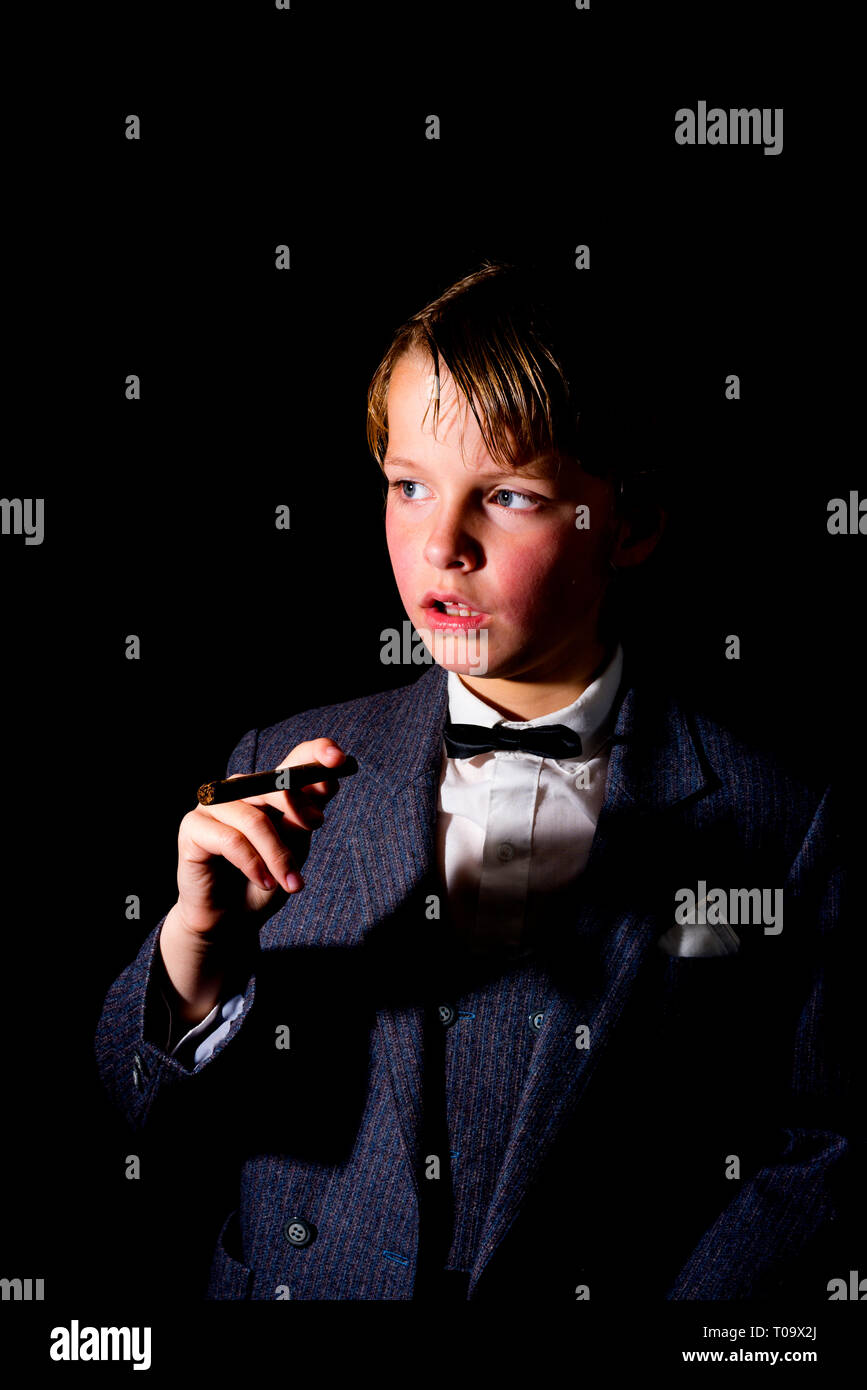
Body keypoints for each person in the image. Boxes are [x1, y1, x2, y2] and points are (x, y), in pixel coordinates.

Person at [95, 261, 855, 1301]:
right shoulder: (284, 754)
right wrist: (196, 955)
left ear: (628, 525)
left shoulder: (783, 819)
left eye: (507, 496)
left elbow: (821, 1151)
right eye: (410, 485)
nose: (441, 544)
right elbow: (137, 1118)